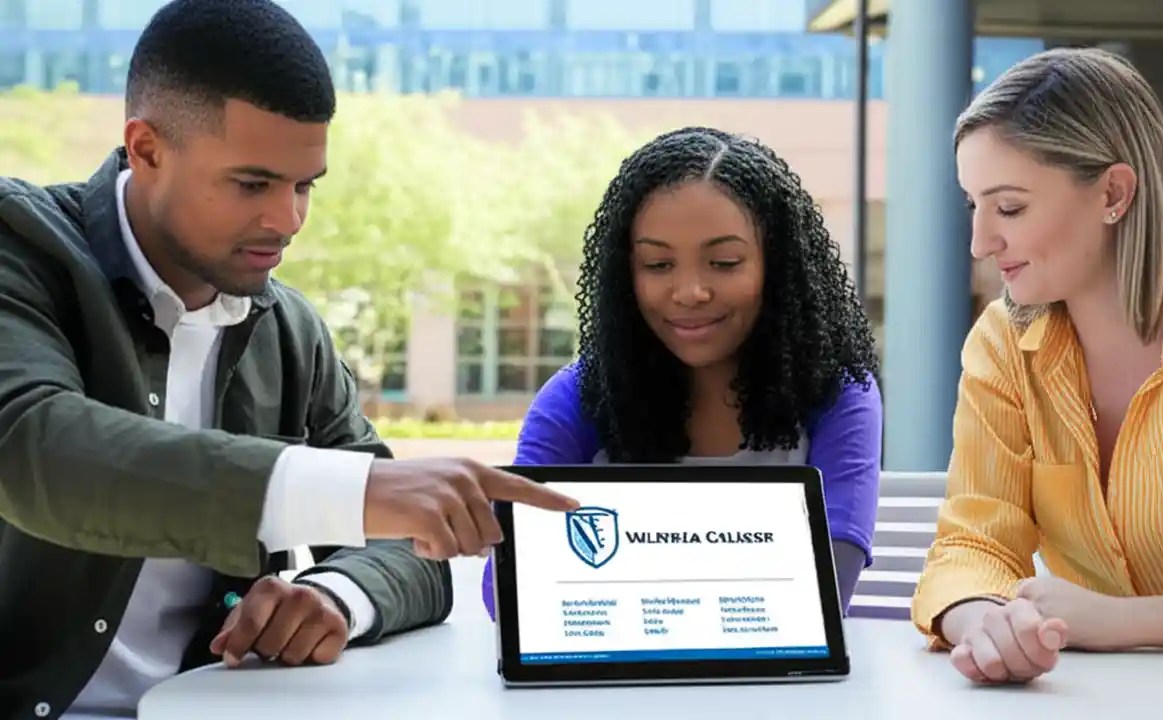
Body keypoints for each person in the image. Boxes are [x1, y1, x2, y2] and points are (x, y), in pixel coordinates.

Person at [0, 1, 577, 717]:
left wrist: (335, 595)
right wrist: (358, 491)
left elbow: (411, 549)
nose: (288, 220)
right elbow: (31, 449)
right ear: (146, 149)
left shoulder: (288, 328)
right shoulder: (20, 247)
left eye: (304, 185)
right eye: (252, 184)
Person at [911, 46, 1163, 685]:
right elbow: (973, 544)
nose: (980, 242)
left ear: (1113, 192)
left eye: (1010, 208)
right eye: (974, 205)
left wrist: (1117, 622)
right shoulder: (1002, 343)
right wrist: (984, 623)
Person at [480, 126, 884, 619]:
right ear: (625, 274)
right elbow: (507, 593)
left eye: (724, 262)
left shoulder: (838, 395)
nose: (691, 291)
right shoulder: (578, 397)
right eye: (657, 264)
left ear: (778, 268)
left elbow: (824, 594)